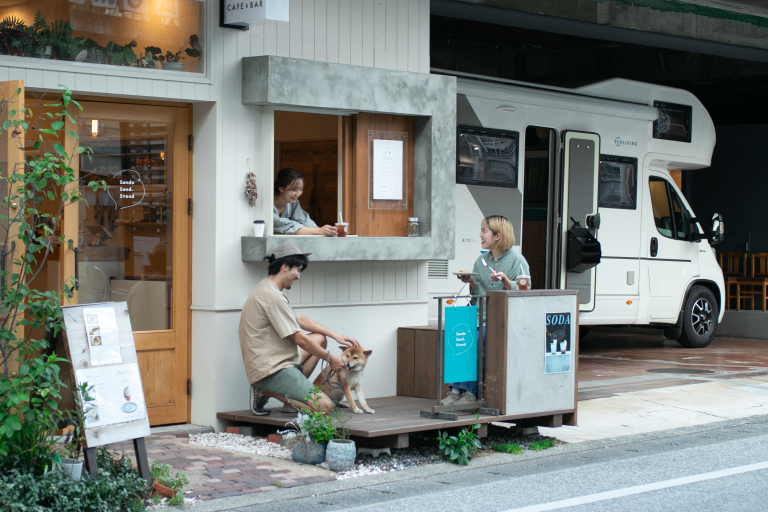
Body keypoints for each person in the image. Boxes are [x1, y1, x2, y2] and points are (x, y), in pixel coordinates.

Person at [239, 243, 360, 416]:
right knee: (325, 407)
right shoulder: (273, 298)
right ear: (284, 267)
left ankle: (292, 400)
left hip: (278, 359)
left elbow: (300, 319)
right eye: (298, 270)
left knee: (320, 338)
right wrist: (329, 358)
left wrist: (335, 335)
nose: (298, 276)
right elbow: (300, 339)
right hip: (271, 369)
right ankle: (266, 391)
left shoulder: (267, 288)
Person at [443, 215, 530, 406]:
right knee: (458, 335)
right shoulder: (481, 260)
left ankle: (470, 392)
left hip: (502, 320)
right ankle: (456, 390)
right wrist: (471, 282)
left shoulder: (518, 261)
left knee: (477, 338)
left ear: (497, 236)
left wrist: (506, 281)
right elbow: (477, 295)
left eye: (484, 231)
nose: (480, 235)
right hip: (478, 316)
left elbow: (524, 291)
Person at [273, 168, 337, 236]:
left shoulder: (294, 203)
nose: (298, 194)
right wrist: (318, 230)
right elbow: (285, 225)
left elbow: (305, 222)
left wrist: (325, 230)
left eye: (301, 189)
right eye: (294, 190)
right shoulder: (267, 204)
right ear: (281, 188)